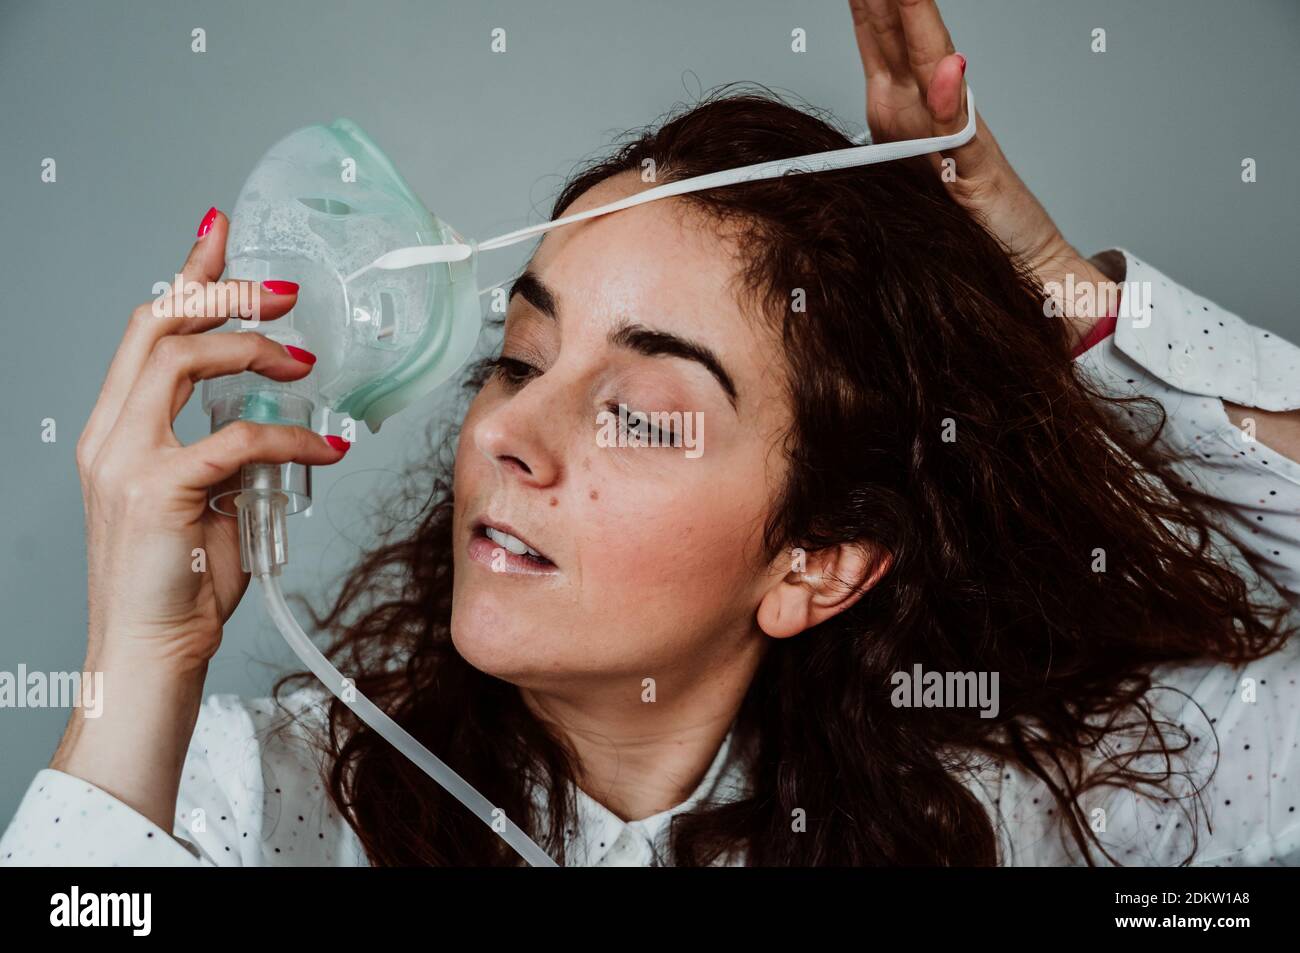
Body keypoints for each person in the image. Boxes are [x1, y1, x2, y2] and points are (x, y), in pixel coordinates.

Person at [3, 0, 1299, 867]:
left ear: (820, 562)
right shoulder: (234, 797)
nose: (517, 431)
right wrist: (137, 668)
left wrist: (1055, 288)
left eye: (638, 411)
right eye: (518, 356)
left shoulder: (1018, 816)